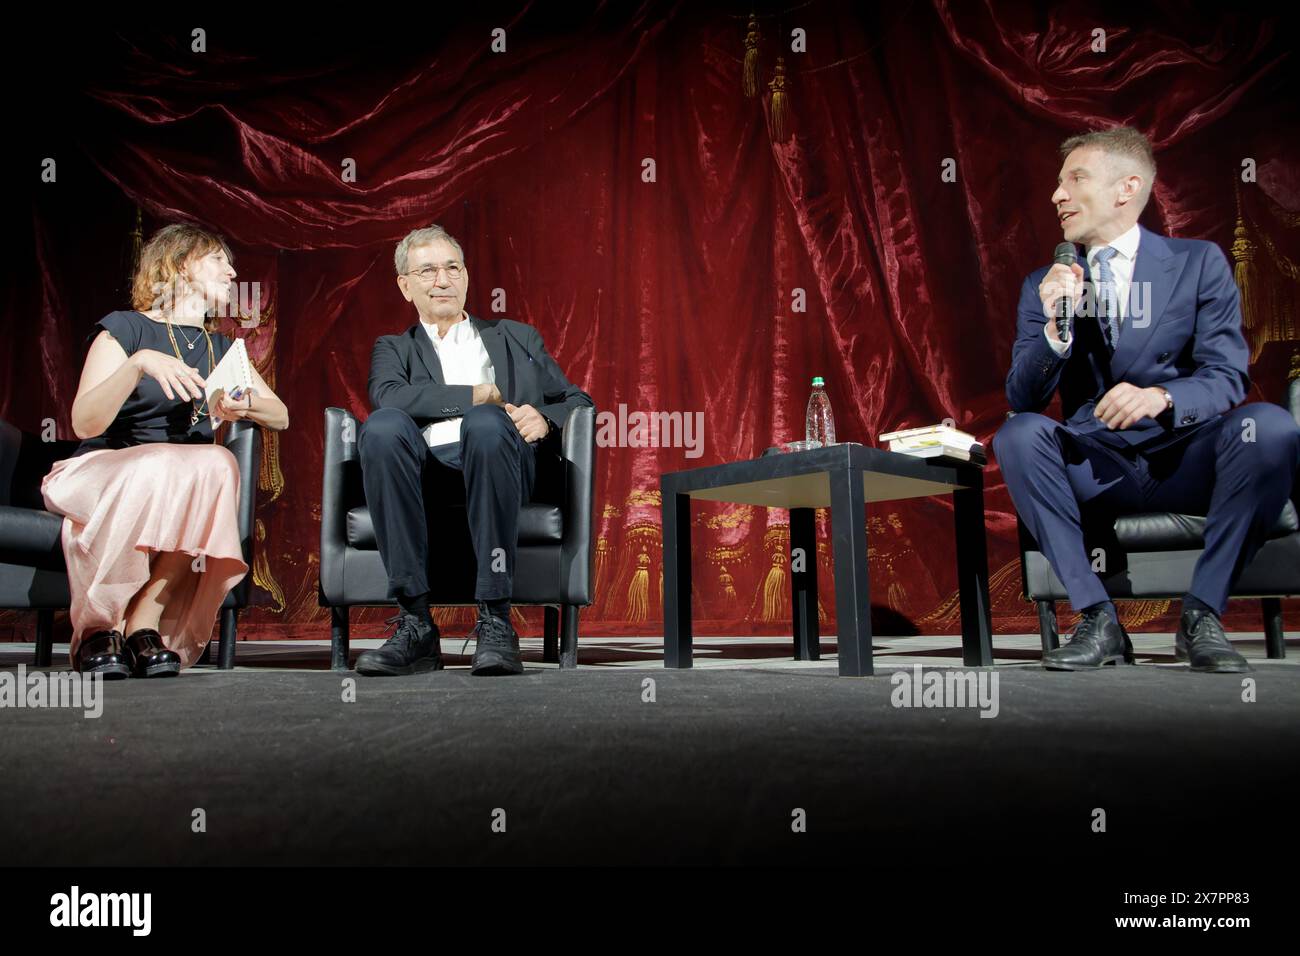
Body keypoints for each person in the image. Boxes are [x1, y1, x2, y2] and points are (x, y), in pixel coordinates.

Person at [993, 126, 1300, 673]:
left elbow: (1227, 375)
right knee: (1017, 434)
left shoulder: (1197, 262)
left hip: (1185, 454)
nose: (1056, 195)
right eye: (1058, 184)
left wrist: (1160, 395)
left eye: (1074, 179)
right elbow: (1023, 396)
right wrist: (1056, 331)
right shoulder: (1048, 281)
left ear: (1126, 188)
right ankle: (1098, 619)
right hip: (1098, 463)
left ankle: (1202, 614)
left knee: (1271, 428)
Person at [42, 223, 289, 677]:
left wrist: (243, 403)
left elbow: (282, 415)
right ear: (179, 266)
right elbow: (84, 422)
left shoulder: (222, 350)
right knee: (165, 462)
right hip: (103, 472)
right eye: (218, 259)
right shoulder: (125, 331)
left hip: (179, 487)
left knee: (217, 461)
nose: (233, 272)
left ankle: (143, 624)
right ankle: (99, 628)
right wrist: (138, 366)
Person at [356, 224, 593, 677]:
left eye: (452, 268)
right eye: (427, 271)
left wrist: (544, 419)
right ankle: (415, 623)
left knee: (486, 424)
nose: (442, 280)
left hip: (499, 459)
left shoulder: (515, 337)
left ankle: (496, 620)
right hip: (423, 469)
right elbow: (389, 398)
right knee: (383, 427)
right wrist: (474, 395)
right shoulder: (395, 348)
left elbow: (576, 400)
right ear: (405, 285)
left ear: (466, 277)